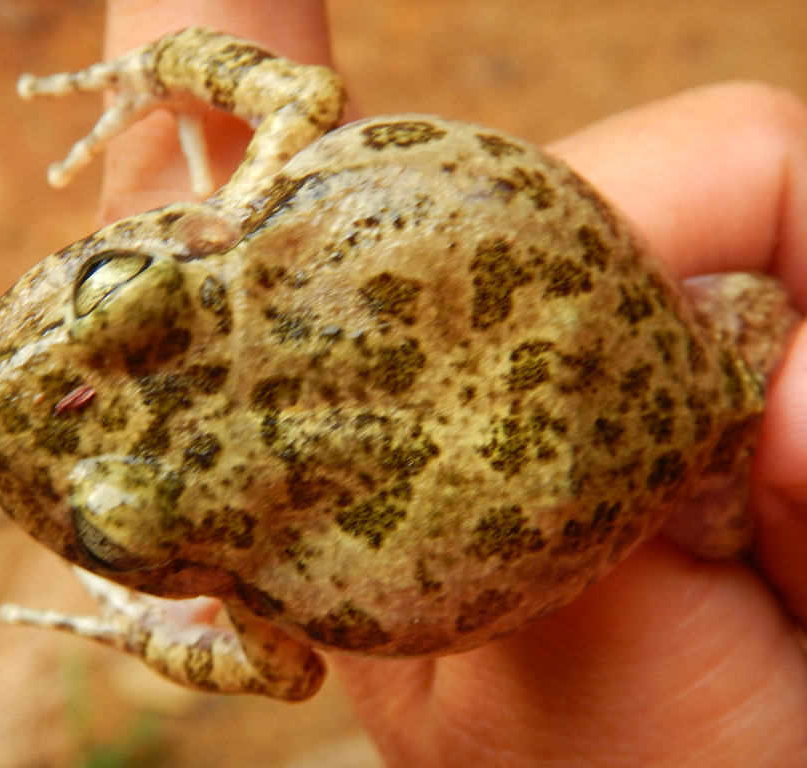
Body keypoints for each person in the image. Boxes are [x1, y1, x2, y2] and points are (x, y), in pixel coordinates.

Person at [99, 2, 807, 764]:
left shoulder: (254, 590)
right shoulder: (240, 219)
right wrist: (162, 67)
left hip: (690, 486)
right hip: (700, 349)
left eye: (106, 296)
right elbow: (298, 93)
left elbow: (284, 668)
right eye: (121, 525)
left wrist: (141, 626)